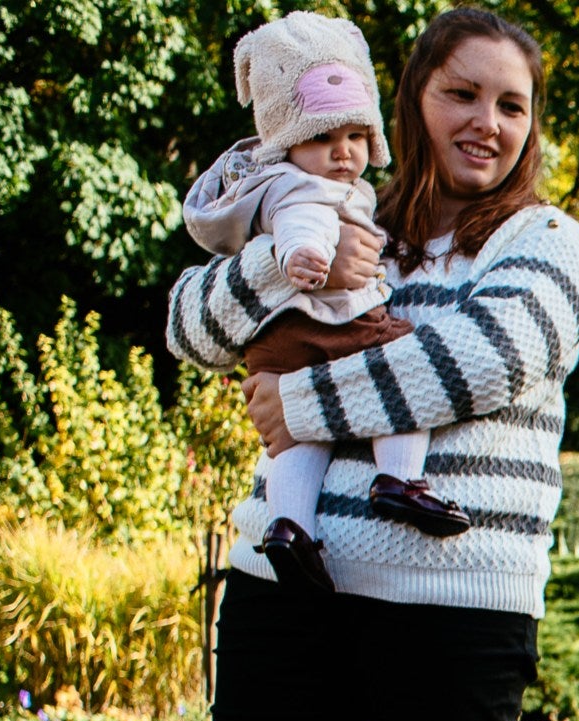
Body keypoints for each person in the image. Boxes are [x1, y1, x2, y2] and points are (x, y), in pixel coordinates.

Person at [165, 8, 579, 721]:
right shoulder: (331, 212)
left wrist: (297, 403)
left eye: (511, 105)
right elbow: (188, 328)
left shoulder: (546, 243)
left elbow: (479, 361)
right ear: (409, 102)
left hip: (452, 605)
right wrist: (286, 261)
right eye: (462, 94)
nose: (487, 122)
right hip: (285, 589)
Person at [180, 10, 471, 592]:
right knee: (398, 356)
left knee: (295, 436)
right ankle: (399, 478)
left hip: (278, 349)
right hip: (330, 323)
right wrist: (302, 261)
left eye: (355, 138)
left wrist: (294, 403)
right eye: (322, 138)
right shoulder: (304, 186)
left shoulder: (294, 184)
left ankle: (289, 526)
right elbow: (300, 226)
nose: (342, 153)